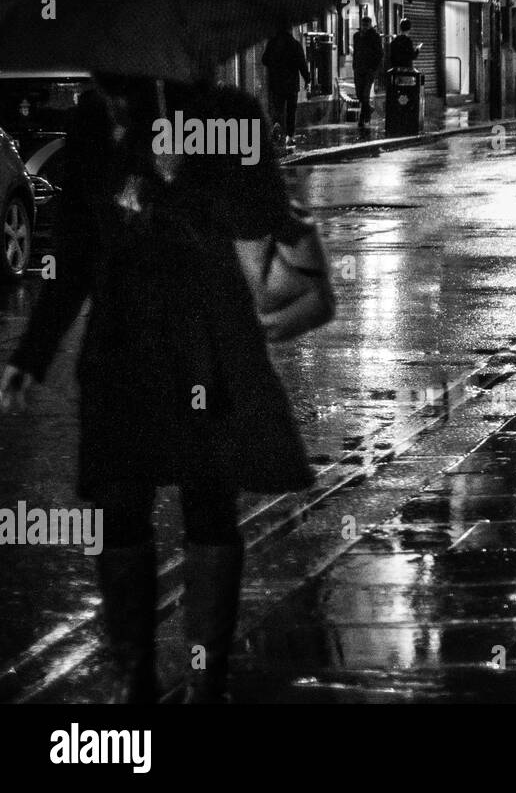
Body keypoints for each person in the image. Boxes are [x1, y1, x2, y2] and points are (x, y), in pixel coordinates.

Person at [0, 75, 317, 703]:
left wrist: (181, 182)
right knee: (119, 511)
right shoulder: (92, 125)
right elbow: (78, 254)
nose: (108, 91)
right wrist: (32, 355)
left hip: (206, 346)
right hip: (122, 351)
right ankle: (134, 676)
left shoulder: (225, 115)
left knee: (209, 509)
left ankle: (208, 679)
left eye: (118, 78)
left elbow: (264, 218)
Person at [260, 26, 310, 143]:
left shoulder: (272, 43)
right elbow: (302, 64)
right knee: (291, 111)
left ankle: (278, 131)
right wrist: (307, 79)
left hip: (277, 83)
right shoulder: (295, 44)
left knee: (278, 109)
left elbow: (264, 60)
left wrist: (275, 65)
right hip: (292, 84)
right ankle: (289, 136)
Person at [351, 16, 384, 129]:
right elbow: (356, 52)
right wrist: (354, 65)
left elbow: (380, 53)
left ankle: (362, 118)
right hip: (358, 69)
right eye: (363, 25)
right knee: (359, 94)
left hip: (369, 70)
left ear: (370, 25)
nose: (364, 27)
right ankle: (368, 109)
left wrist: (374, 67)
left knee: (365, 94)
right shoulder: (356, 36)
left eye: (366, 25)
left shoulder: (375, 37)